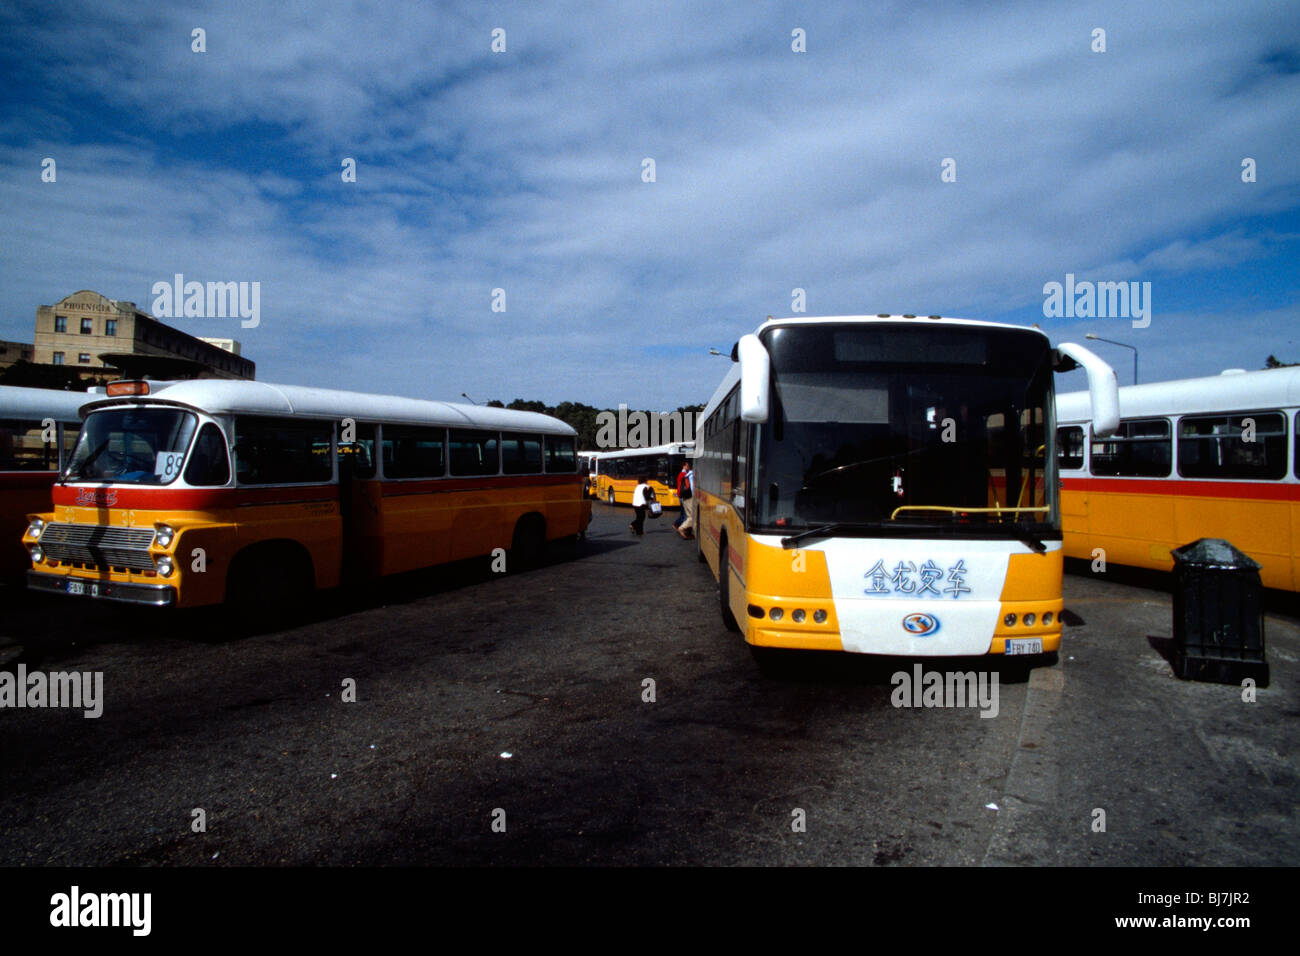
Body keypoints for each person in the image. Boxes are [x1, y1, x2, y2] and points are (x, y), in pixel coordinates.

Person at [675, 461, 695, 539]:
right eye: (688, 465)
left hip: (683, 497)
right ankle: (682, 528)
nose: (689, 466)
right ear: (684, 466)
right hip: (689, 497)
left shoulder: (682, 475)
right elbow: (692, 488)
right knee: (692, 517)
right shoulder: (688, 475)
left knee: (688, 515)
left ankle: (687, 533)